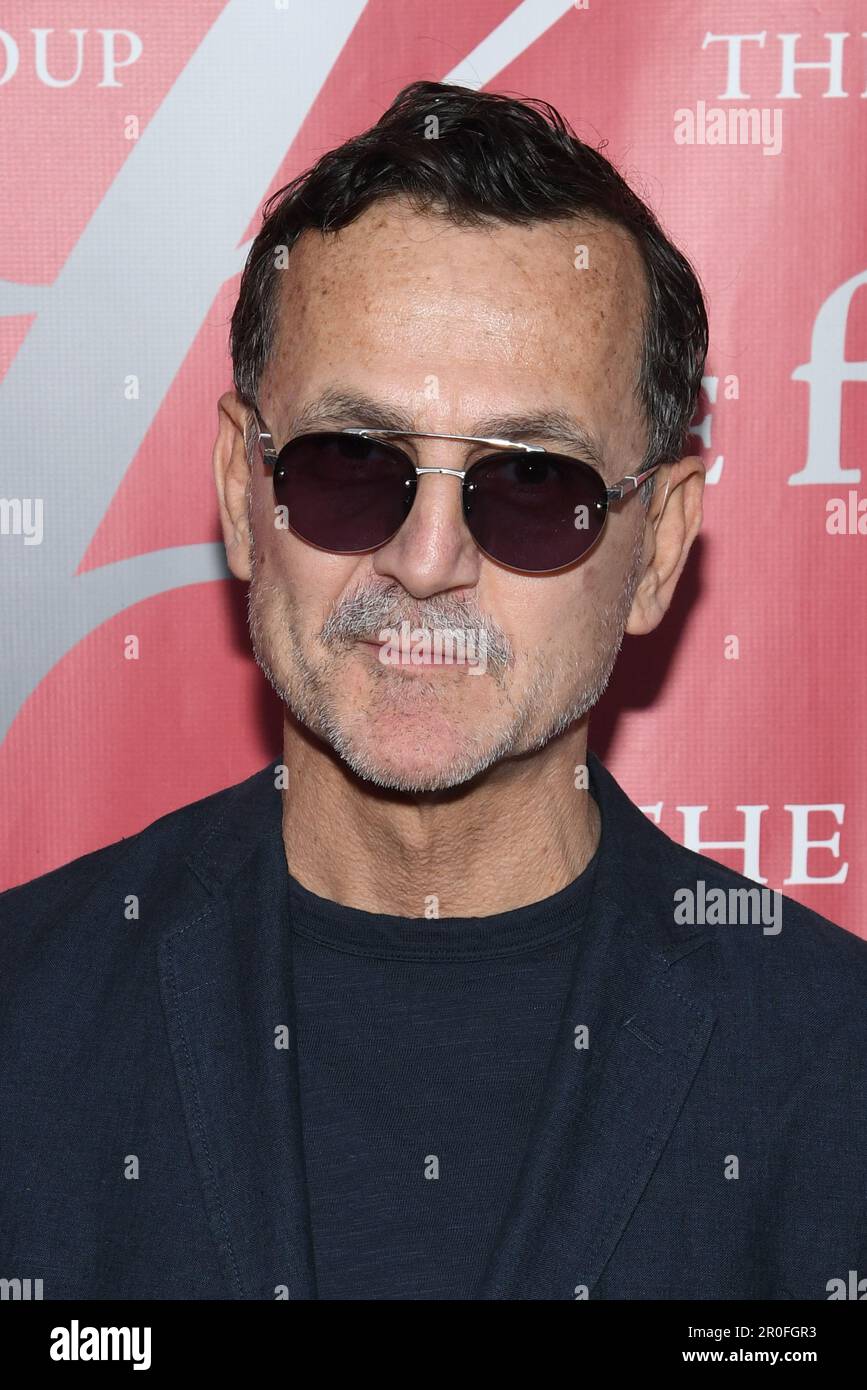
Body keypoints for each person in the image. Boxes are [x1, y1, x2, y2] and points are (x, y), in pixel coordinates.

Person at [1, 82, 864, 1302]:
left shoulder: (835, 1067)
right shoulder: (26, 1021)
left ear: (658, 547)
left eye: (530, 484)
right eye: (350, 463)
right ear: (244, 492)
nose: (425, 558)